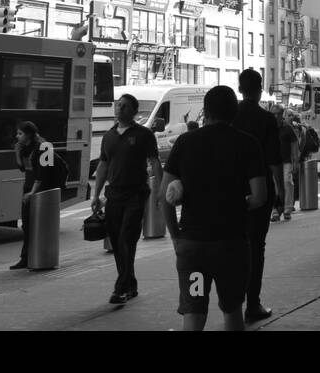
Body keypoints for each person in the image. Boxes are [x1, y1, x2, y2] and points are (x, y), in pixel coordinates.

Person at [161, 85, 266, 331]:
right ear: (234, 112)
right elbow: (260, 196)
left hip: (194, 249)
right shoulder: (247, 144)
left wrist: (176, 236)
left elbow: (164, 195)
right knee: (231, 309)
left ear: (205, 111)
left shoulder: (185, 142)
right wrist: (238, 205)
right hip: (231, 247)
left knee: (194, 311)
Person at [89, 94, 161, 304]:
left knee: (126, 239)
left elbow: (155, 162)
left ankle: (120, 288)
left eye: (125, 106)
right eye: (118, 105)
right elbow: (103, 165)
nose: (119, 109)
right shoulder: (109, 136)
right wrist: (97, 195)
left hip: (136, 194)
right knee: (117, 241)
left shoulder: (144, 134)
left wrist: (158, 192)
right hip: (114, 195)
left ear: (134, 111)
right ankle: (130, 283)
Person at [231, 68, 281, 323]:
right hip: (259, 190)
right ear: (260, 89)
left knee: (230, 246)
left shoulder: (229, 117)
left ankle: (231, 303)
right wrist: (280, 191)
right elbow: (274, 161)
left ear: (240, 88)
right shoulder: (266, 119)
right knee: (256, 247)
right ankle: (253, 303)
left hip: (229, 190)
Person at [10, 121, 67, 271]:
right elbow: (23, 169)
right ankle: (26, 257)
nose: (17, 136)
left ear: (29, 134)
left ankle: (40, 256)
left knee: (39, 225)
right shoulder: (24, 148)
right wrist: (17, 152)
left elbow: (44, 173)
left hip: (42, 190)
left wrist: (33, 192)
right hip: (29, 187)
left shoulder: (45, 147)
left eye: (20, 133)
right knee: (27, 224)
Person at [276, 108, 301, 221]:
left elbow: (294, 144)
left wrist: (295, 161)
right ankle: (276, 209)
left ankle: (287, 208)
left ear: (282, 115)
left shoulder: (287, 128)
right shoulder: (270, 127)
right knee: (276, 186)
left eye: (278, 114)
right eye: (273, 114)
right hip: (274, 162)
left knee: (287, 182)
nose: (275, 116)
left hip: (286, 161)